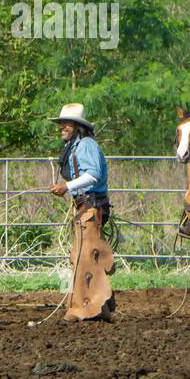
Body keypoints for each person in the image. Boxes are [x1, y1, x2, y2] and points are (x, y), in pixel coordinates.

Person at [48, 104, 114, 322]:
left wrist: (67, 187)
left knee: (86, 258)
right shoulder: (77, 146)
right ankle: (98, 305)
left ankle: (84, 308)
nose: (62, 127)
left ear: (78, 126)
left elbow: (93, 175)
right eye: (61, 123)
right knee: (84, 257)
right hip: (85, 206)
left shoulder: (85, 145)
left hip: (91, 206)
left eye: (66, 123)